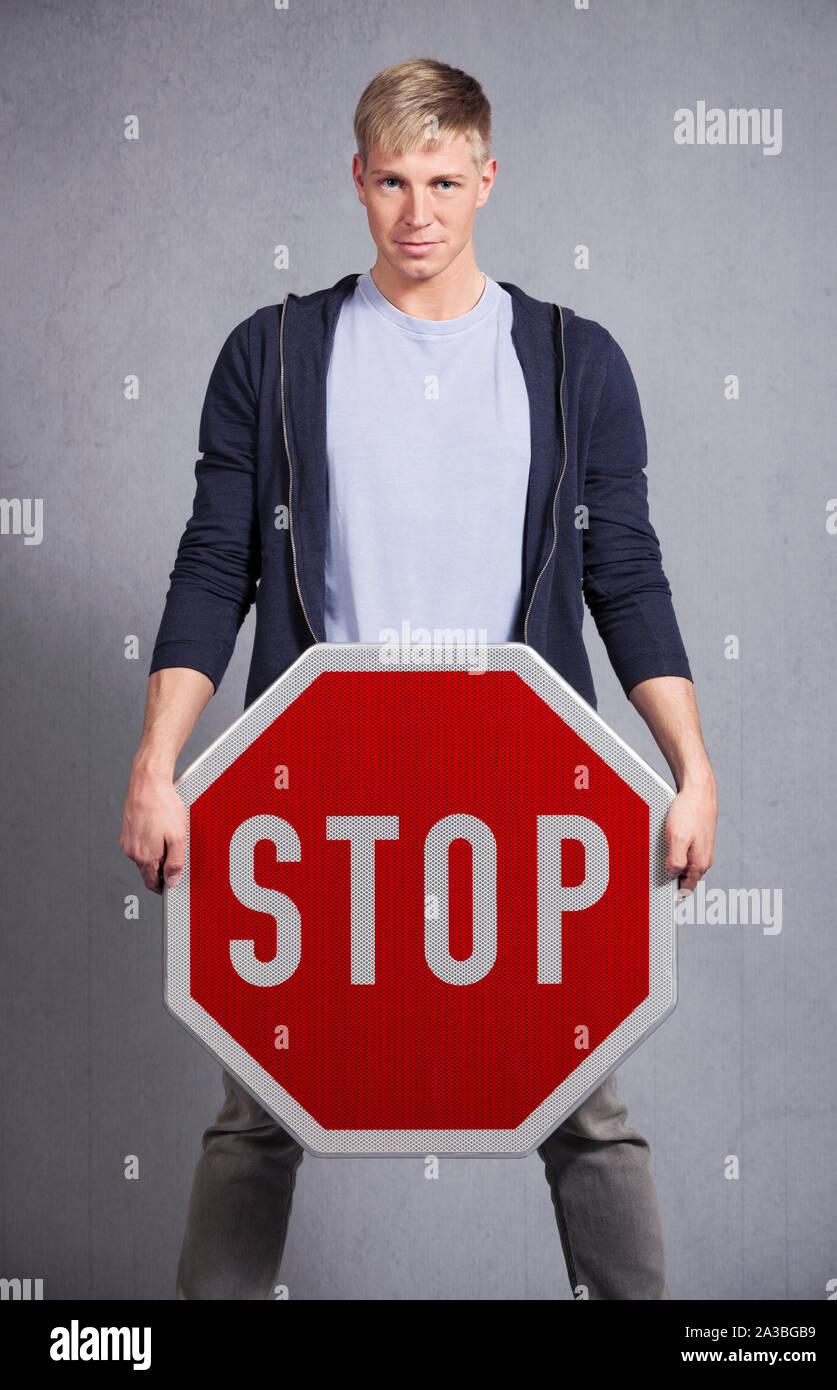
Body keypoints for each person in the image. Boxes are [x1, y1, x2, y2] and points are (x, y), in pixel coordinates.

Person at [120, 58, 718, 1300]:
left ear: (487, 178)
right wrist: (155, 767)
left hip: (517, 784)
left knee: (581, 1101)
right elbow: (211, 567)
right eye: (391, 180)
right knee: (261, 1100)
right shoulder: (273, 352)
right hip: (319, 780)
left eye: (444, 179)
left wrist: (690, 768)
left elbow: (630, 581)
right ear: (356, 179)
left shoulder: (573, 360)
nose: (417, 212)